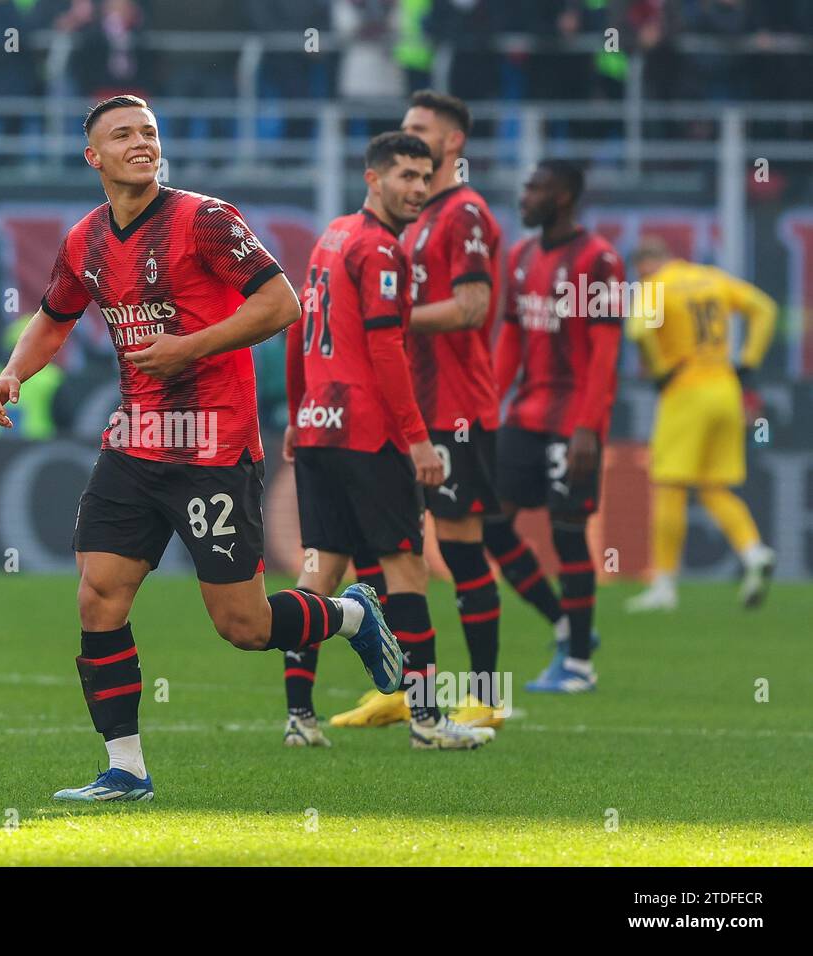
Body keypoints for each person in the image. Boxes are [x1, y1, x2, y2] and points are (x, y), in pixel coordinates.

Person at [0, 95, 401, 802]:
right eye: (123, 135)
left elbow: (281, 304)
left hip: (214, 444)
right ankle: (127, 771)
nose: (141, 143)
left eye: (148, 131)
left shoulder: (204, 219)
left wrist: (187, 349)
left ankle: (351, 612)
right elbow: (55, 317)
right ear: (95, 158)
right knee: (99, 597)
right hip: (136, 444)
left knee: (243, 625)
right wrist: (14, 371)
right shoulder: (84, 240)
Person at [281, 131, 494, 751]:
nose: (418, 188)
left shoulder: (331, 238)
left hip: (320, 429)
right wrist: (419, 440)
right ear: (372, 178)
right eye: (404, 175)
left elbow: (298, 327)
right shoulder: (380, 251)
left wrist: (298, 413)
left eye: (425, 177)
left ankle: (300, 716)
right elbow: (386, 349)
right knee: (406, 570)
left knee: (320, 570)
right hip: (367, 434)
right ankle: (427, 720)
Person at [331, 90, 506, 732]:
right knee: (382, 549)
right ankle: (407, 688)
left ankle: (487, 694)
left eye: (419, 128)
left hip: (455, 409)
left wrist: (389, 321)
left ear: (452, 142)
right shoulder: (417, 216)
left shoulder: (464, 213)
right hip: (401, 407)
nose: (407, 135)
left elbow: (472, 307)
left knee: (461, 553)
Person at [484, 159, 625, 694]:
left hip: (574, 422)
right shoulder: (519, 258)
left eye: (536, 188)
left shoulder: (601, 261)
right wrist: (488, 405)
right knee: (493, 522)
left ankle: (580, 668)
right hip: (527, 414)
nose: (525, 196)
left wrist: (589, 427)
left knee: (568, 535)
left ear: (563, 197)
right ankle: (567, 625)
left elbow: (605, 351)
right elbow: (512, 341)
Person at [623, 237, 777, 612]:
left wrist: (660, 371)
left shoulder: (656, 286)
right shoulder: (710, 278)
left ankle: (664, 585)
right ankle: (754, 553)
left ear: (646, 263)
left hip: (686, 391)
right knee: (713, 487)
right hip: (726, 389)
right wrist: (750, 362)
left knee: (670, 484)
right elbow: (765, 308)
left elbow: (638, 331)